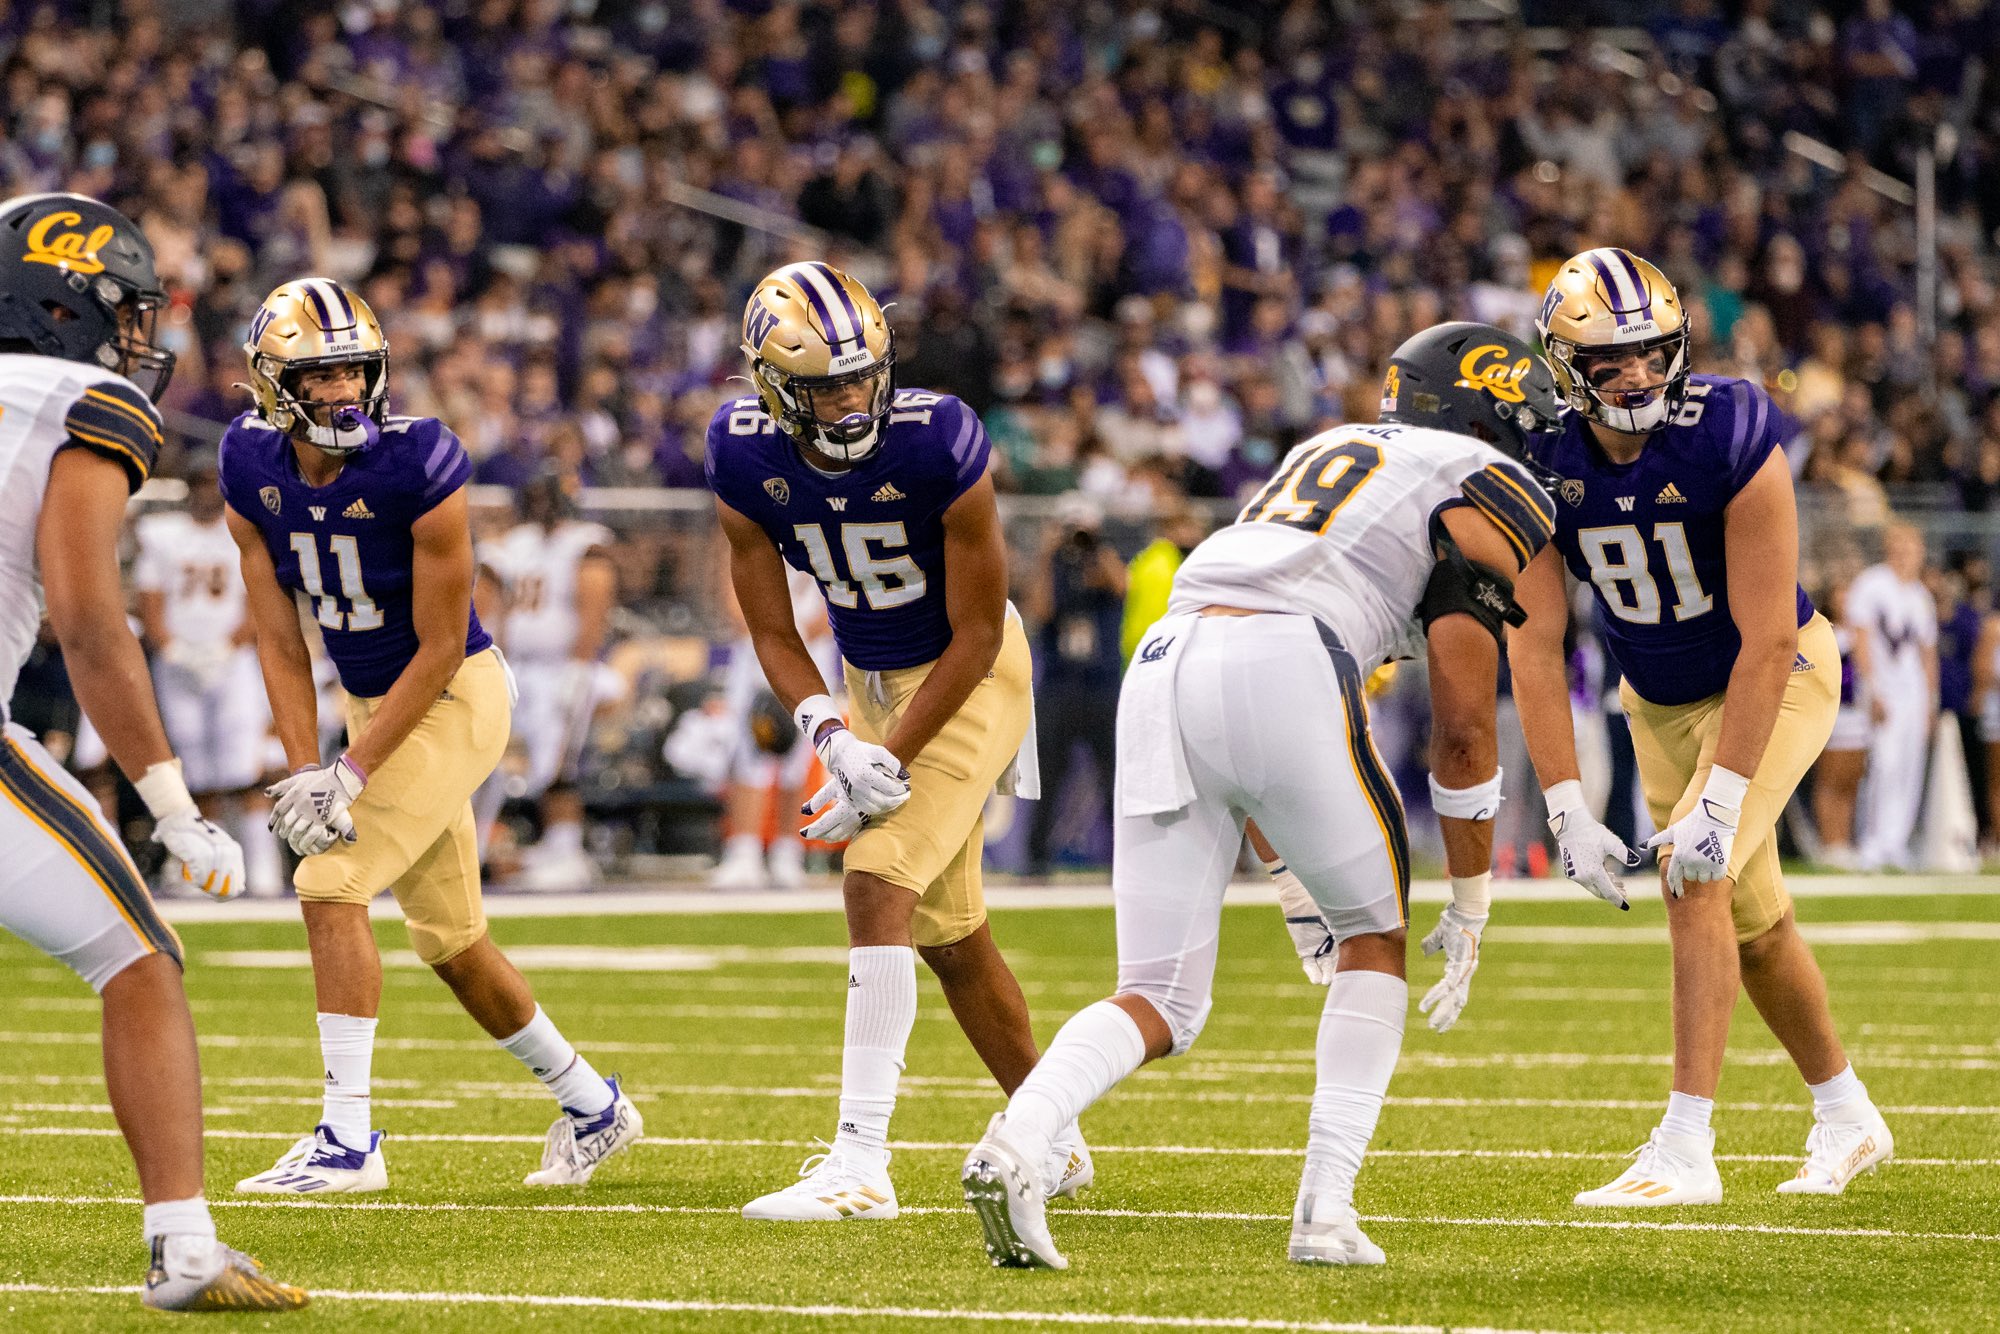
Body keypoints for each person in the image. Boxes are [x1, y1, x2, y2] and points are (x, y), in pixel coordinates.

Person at [961, 321, 1563, 1270]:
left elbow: (1254, 706)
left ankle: (1020, 1139)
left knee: (1156, 994)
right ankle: (1325, 1209)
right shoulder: (1480, 480)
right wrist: (1473, 895)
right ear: (1485, 414)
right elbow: (1460, 728)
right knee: (1374, 940)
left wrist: (1289, 880)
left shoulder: (1326, 451)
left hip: (1167, 659)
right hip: (1285, 653)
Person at [220, 277, 641, 1194]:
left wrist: (350, 774)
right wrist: (308, 767)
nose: (341, 391)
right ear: (272, 384)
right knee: (451, 942)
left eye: (354, 372)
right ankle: (593, 1105)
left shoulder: (418, 460)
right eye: (318, 375)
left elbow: (444, 644)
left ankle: (346, 1141)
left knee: (329, 881)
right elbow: (280, 640)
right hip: (368, 706)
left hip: (453, 695)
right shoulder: (248, 462)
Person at [707, 261, 1089, 1221]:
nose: (849, 402)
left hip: (967, 676)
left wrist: (890, 755)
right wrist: (832, 735)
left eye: (860, 379)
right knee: (949, 937)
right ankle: (1051, 1132)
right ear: (772, 387)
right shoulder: (740, 451)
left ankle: (860, 1162)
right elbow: (770, 629)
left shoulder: (936, 440)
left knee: (876, 881)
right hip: (866, 685)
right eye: (824, 387)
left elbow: (980, 632)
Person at [1516, 247, 1890, 1205]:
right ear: (1566, 367)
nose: (1638, 375)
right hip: (1656, 704)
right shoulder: (1542, 457)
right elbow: (1537, 644)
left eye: (1653, 352)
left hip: (1777, 676)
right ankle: (1848, 1114)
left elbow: (1769, 639)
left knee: (1692, 872)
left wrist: (1720, 799)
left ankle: (1684, 1148)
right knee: (1755, 927)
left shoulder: (1728, 428)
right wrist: (1564, 806)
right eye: (1610, 360)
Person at [0, 192, 304, 1311]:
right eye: (125, 307)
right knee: (138, 957)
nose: (137, 333)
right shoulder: (80, 398)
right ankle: (183, 1245)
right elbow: (89, 618)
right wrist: (172, 806)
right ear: (60, 302)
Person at [133, 450, 284, 895]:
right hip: (178, 664)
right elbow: (150, 598)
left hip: (232, 662)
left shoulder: (243, 533)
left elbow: (258, 599)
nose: (206, 491)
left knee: (246, 765)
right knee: (193, 768)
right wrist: (171, 647)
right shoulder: (163, 536)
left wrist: (228, 646)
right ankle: (201, 867)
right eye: (198, 482)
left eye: (211, 482)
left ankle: (261, 867)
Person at [479, 466, 620, 889]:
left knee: (559, 761)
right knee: (503, 760)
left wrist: (580, 664)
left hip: (564, 667)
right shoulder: (514, 544)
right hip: (518, 667)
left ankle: (566, 847)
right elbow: (490, 605)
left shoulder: (585, 542)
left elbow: (595, 608)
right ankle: (506, 845)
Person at [1023, 495, 1126, 877]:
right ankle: (1036, 860)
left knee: (1113, 776)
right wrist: (1047, 554)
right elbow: (1040, 610)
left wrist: (1096, 545)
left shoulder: (1104, 562)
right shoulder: (1054, 569)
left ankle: (1125, 858)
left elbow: (1121, 585)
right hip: (1060, 686)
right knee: (1049, 776)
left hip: (1101, 685)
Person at [1847, 523, 1938, 871]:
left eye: (1912, 548)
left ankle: (1896, 841)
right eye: (1900, 547)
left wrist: (1930, 702)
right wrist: (1872, 690)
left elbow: (1927, 654)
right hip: (1883, 691)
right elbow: (1860, 638)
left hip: (1913, 694)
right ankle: (1873, 842)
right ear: (1889, 548)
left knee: (1908, 768)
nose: (1906, 555)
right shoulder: (1872, 585)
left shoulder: (1921, 596)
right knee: (1883, 764)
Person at [1813, 580, 1870, 868]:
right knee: (1830, 781)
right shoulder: (1824, 631)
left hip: (1857, 713)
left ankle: (1844, 841)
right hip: (1834, 713)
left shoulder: (1863, 631)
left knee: (1850, 781)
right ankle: (1829, 842)